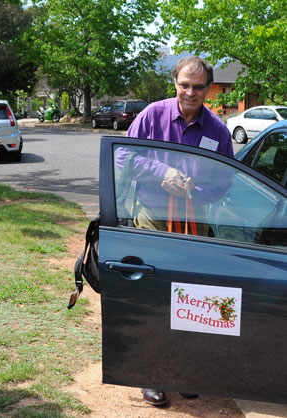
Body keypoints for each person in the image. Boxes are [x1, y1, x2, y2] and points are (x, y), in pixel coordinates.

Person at [122, 55, 234, 406]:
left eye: (198, 87)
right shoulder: (152, 116)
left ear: (208, 89)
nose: (190, 92)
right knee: (154, 296)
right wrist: (161, 173)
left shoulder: (217, 130)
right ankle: (151, 374)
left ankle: (186, 370)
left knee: (190, 298)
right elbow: (124, 155)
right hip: (151, 217)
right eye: (184, 85)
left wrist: (193, 191)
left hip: (194, 222)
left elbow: (225, 181)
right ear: (175, 83)